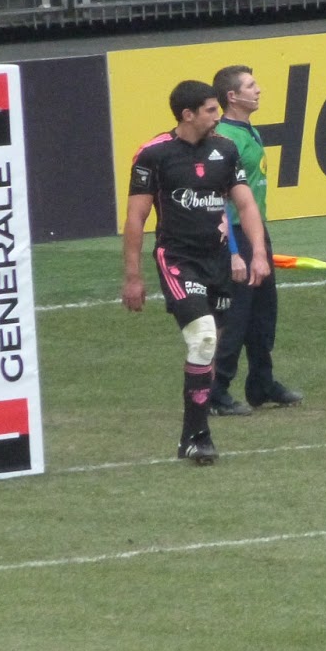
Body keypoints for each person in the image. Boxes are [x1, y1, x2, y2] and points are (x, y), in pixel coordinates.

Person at [123, 80, 270, 464]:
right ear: (188, 115)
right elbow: (136, 218)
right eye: (209, 110)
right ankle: (199, 435)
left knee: (209, 345)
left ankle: (192, 436)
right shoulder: (154, 155)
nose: (217, 115)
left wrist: (256, 255)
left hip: (217, 262)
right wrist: (133, 276)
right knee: (203, 338)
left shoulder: (225, 149)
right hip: (177, 259)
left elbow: (246, 205)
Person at [207, 66, 303, 416]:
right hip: (233, 237)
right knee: (236, 315)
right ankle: (217, 391)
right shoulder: (224, 139)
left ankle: (261, 383)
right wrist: (234, 250)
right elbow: (218, 200)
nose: (259, 90)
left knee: (264, 313)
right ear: (232, 96)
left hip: (255, 232)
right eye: (251, 85)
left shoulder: (248, 132)